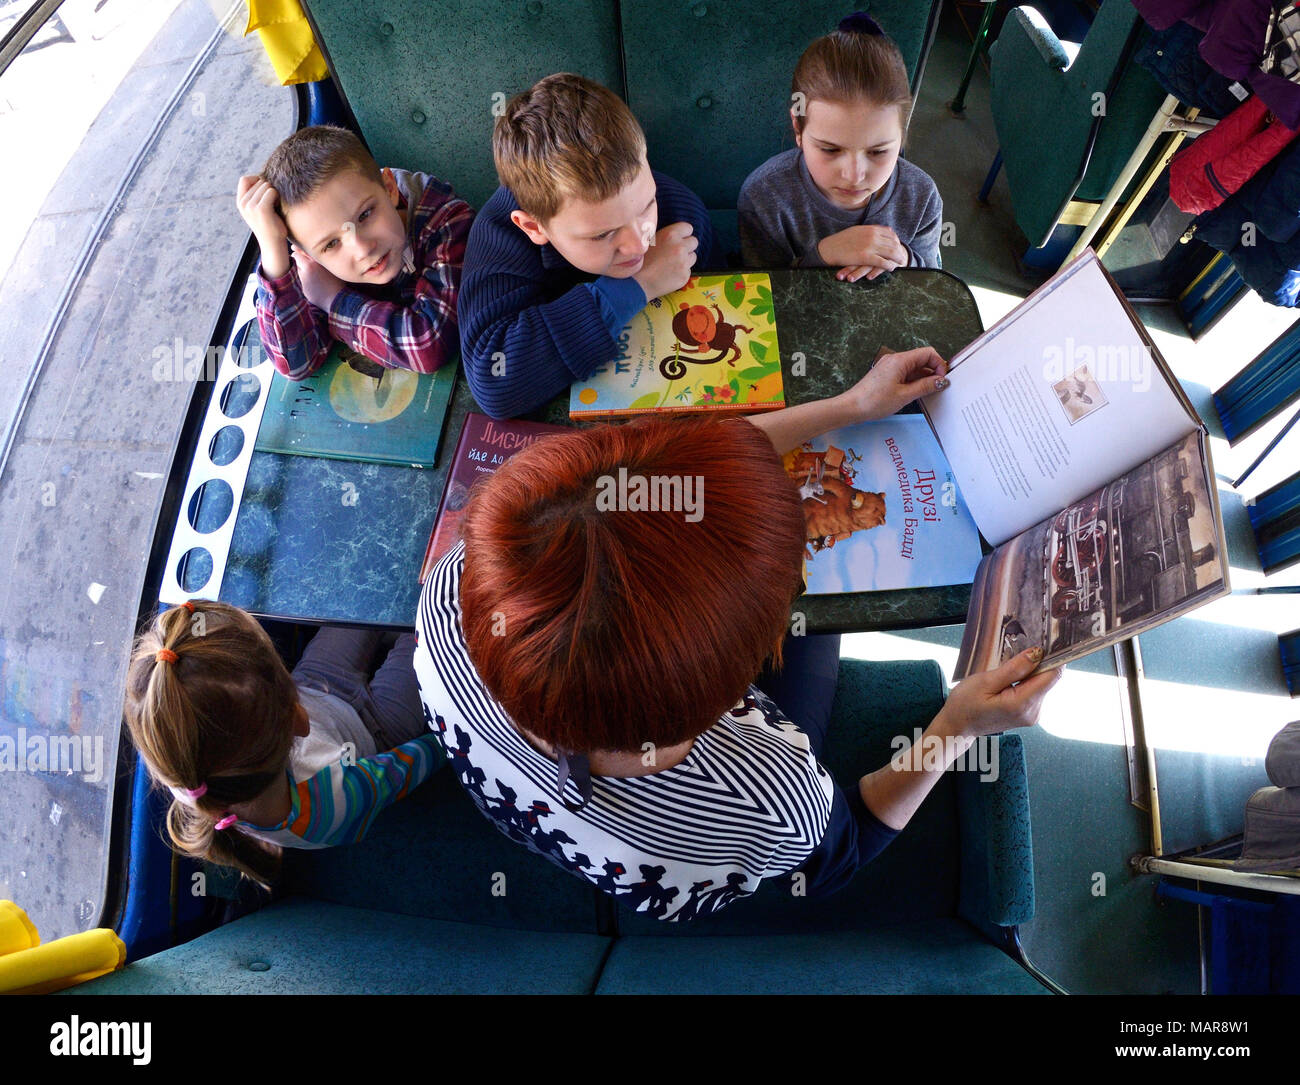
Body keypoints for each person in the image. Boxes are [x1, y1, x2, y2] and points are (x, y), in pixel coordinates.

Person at [412, 348, 1060, 921]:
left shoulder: (455, 584)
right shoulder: (772, 792)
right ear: (736, 683)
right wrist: (958, 726)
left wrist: (847, 405)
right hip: (690, 825)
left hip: (521, 783)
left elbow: (657, 482)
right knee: (824, 632)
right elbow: (841, 853)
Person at [457, 72, 719, 420]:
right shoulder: (498, 234)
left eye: (645, 206)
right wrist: (637, 286)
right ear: (534, 227)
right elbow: (494, 383)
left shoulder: (679, 214)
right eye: (602, 234)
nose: (639, 241)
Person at [123, 601, 441, 887]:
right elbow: (413, 762)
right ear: (297, 718)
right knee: (435, 627)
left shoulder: (196, 785)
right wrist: (449, 739)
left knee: (367, 602)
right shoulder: (333, 797)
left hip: (317, 684)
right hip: (377, 731)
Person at [237, 124, 474, 379]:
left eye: (365, 215)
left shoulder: (446, 219)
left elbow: (430, 346)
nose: (361, 249)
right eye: (331, 244)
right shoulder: (318, 267)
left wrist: (333, 300)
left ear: (389, 188)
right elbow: (297, 363)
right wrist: (273, 252)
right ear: (307, 255)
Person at [738, 11, 943, 281]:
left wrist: (901, 257)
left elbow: (934, 284)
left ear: (902, 134)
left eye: (878, 151)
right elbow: (760, 294)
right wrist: (822, 256)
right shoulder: (763, 198)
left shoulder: (922, 198)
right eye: (830, 150)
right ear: (798, 129)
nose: (854, 175)